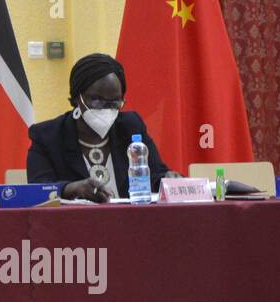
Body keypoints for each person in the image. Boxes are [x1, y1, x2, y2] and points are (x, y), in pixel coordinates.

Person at [26, 52, 175, 202]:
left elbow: (156, 176)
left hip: (129, 221)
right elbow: (38, 190)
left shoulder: (131, 126)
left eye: (115, 102)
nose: (106, 109)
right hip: (73, 223)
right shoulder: (47, 136)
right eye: (97, 100)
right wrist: (72, 189)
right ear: (77, 98)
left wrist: (169, 179)